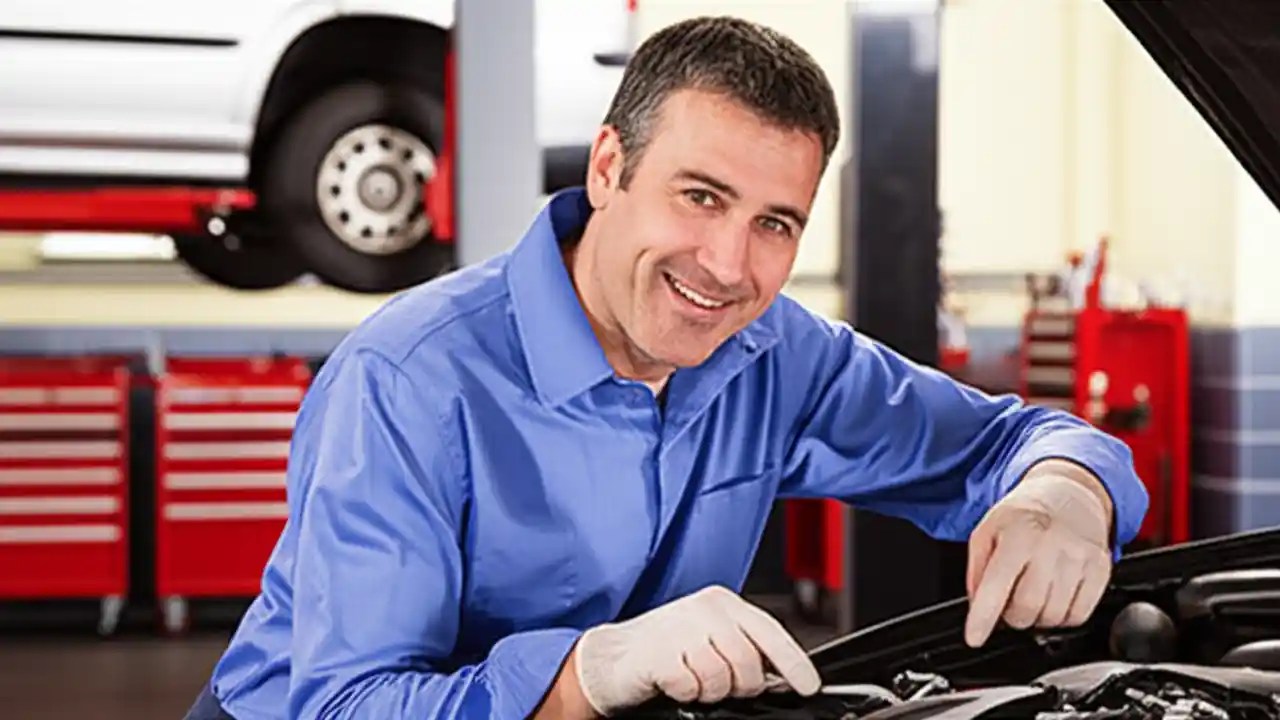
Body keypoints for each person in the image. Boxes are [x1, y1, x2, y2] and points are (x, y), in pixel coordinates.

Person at [185, 15, 1148, 720]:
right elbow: (346, 703)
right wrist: (587, 674)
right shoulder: (408, 381)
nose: (728, 267)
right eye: (699, 196)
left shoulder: (774, 351)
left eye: (774, 223)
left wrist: (1062, 492)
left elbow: (1009, 442)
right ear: (608, 168)